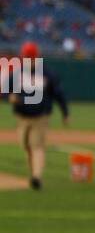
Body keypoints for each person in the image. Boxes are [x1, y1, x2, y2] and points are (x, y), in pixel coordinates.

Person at [4, 40, 69, 189]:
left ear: (37, 57)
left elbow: (58, 94)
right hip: (22, 117)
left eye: (31, 58)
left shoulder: (47, 74)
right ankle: (33, 173)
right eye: (26, 57)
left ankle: (36, 177)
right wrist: (10, 97)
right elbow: (6, 92)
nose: (29, 60)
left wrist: (65, 113)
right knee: (26, 146)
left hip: (40, 117)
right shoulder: (17, 74)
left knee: (37, 146)